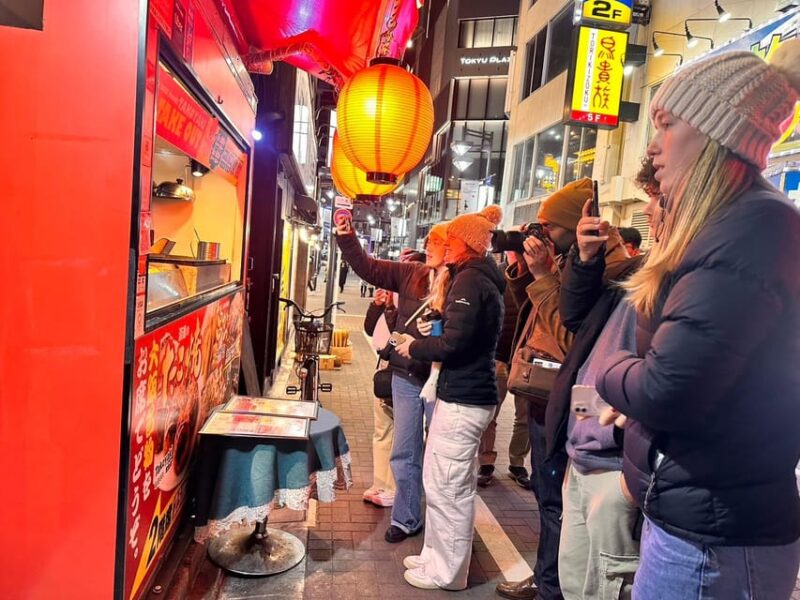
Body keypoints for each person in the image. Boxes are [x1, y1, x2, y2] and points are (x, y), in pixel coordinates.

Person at [595, 43, 800, 599]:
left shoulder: (752, 226)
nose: (653, 146)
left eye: (667, 125)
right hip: (699, 523)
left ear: (714, 132)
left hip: (716, 538)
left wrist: (610, 367)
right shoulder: (731, 224)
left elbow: (666, 389)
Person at [497, 178, 629, 600]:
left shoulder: (609, 272)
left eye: (548, 226)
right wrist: (528, 273)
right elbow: (536, 313)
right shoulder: (571, 263)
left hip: (577, 398)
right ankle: (547, 576)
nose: (541, 234)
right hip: (551, 394)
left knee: (557, 495)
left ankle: (551, 585)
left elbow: (573, 339)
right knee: (550, 493)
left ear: (575, 226)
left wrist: (543, 275)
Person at [543, 158, 661, 600]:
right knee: (576, 583)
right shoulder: (638, 268)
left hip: (617, 468)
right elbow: (576, 316)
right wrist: (586, 259)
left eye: (659, 198)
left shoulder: (688, 276)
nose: (647, 211)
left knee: (607, 587)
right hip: (581, 450)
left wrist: (630, 479)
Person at [393, 205, 505, 591]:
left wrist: (415, 346)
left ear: (466, 243)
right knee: (439, 481)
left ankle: (448, 572)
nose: (445, 243)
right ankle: (434, 557)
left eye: (451, 238)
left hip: (465, 399)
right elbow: (460, 333)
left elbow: (455, 344)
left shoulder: (471, 280)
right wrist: (436, 329)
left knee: (450, 488)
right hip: (461, 395)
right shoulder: (472, 276)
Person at [335, 216, 449, 543]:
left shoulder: (461, 282)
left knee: (441, 455)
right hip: (405, 374)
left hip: (442, 377)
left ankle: (441, 525)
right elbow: (368, 267)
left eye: (437, 242)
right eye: (428, 241)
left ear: (453, 249)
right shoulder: (411, 273)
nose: (429, 247)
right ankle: (406, 518)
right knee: (404, 451)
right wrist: (347, 235)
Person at [477, 261, 530, 489]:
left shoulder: (539, 273)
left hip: (526, 359)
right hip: (498, 356)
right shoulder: (498, 273)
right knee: (489, 414)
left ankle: (517, 463)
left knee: (525, 417)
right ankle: (486, 462)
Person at [362, 288, 398, 508]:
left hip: (404, 373)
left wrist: (393, 307)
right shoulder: (390, 302)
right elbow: (369, 328)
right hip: (384, 370)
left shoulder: (411, 301)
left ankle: (393, 488)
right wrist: (377, 306)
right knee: (381, 430)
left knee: (399, 434)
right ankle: (380, 483)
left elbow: (401, 333)